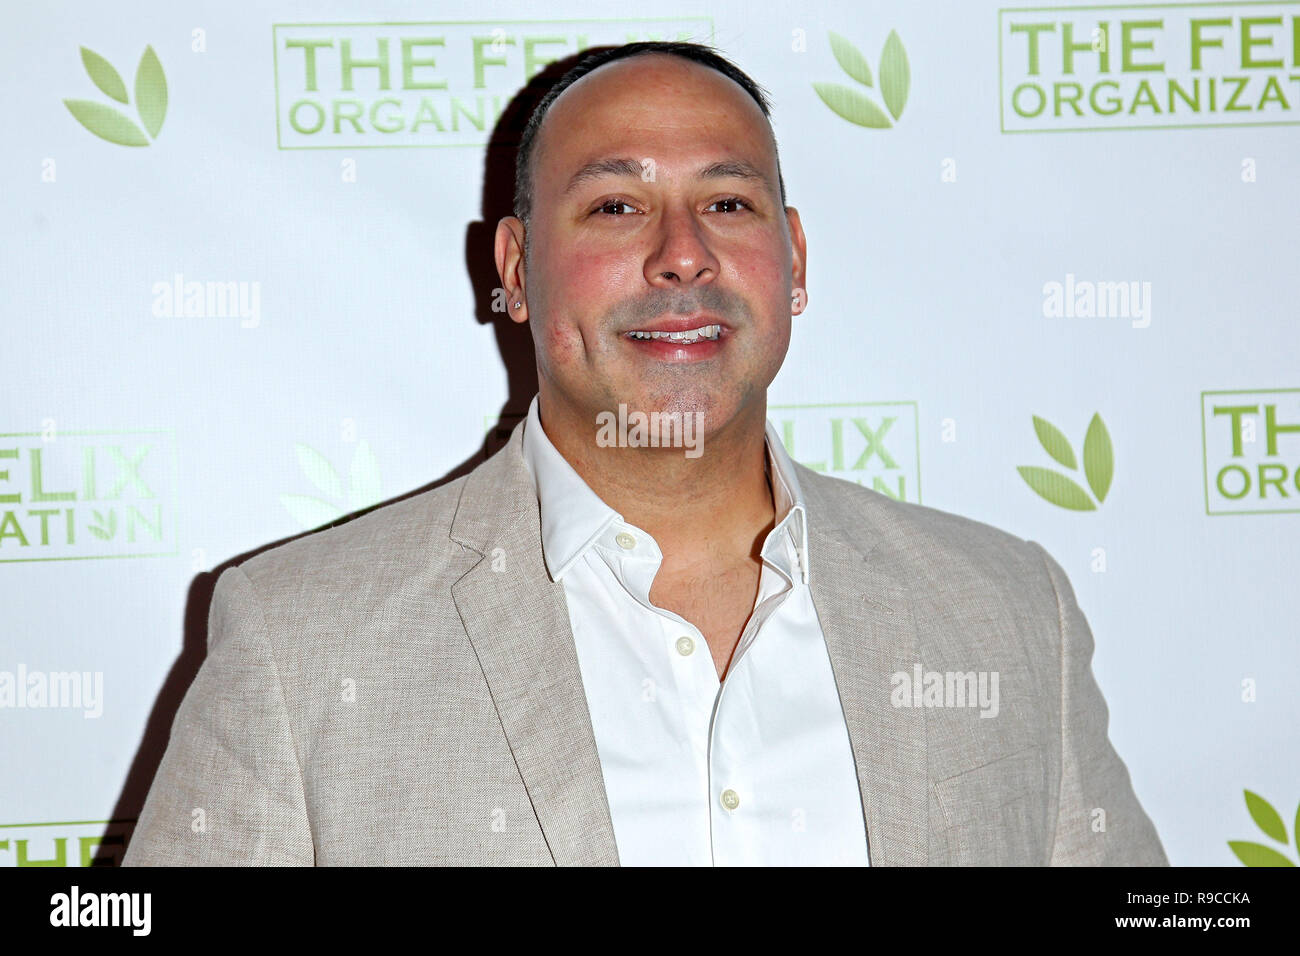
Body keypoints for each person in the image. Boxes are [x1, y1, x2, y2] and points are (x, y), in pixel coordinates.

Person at [123, 41, 1167, 866]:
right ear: (518, 268)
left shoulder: (1002, 607)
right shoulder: (301, 639)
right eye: (616, 205)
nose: (681, 253)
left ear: (790, 259)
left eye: (726, 203)